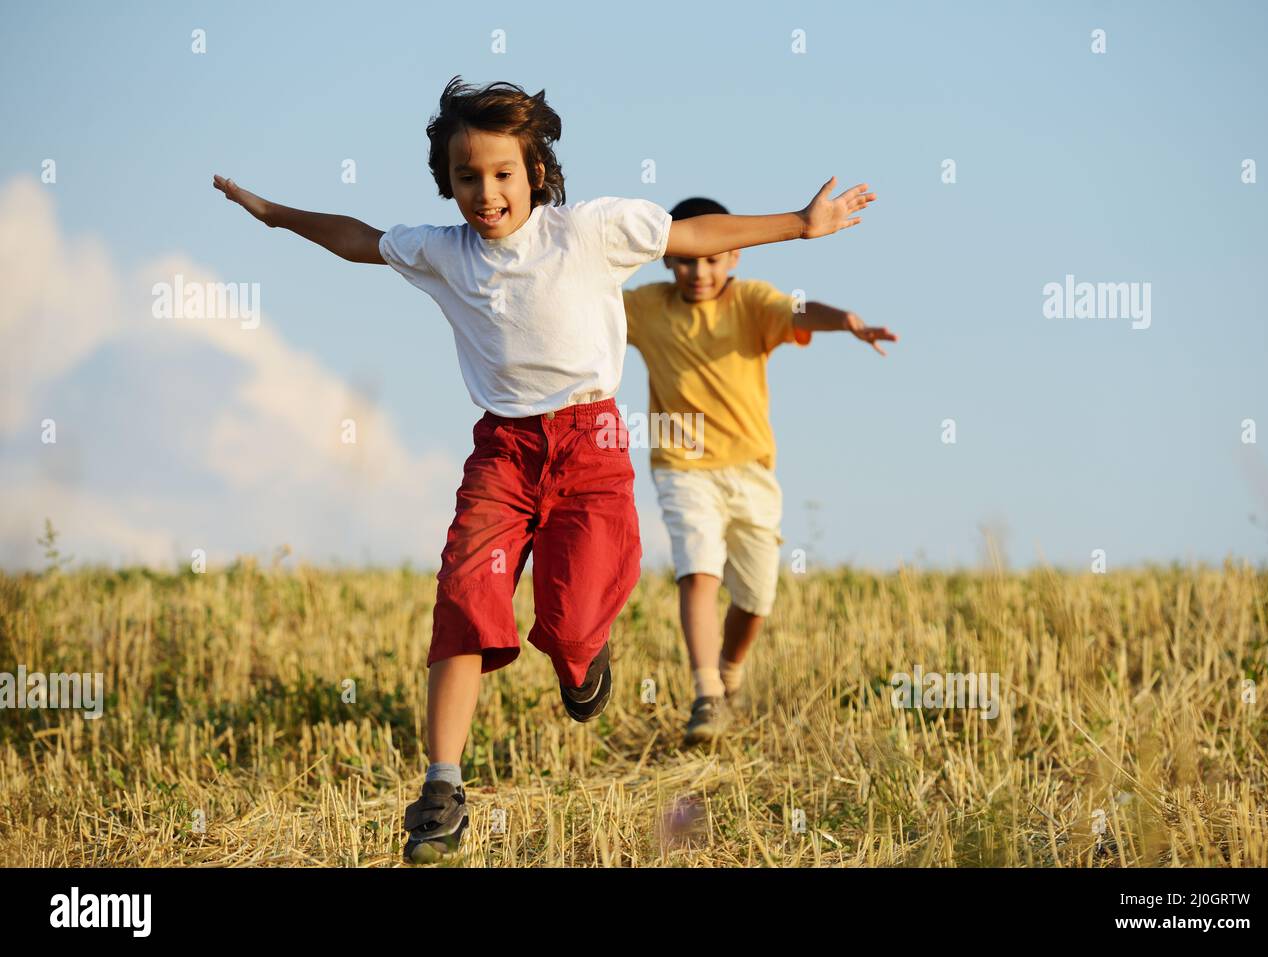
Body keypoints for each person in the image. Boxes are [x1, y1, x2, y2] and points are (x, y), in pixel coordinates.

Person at [213, 76, 875, 863]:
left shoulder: (591, 231)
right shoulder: (443, 252)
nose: (485, 193)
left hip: (590, 448)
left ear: (535, 173)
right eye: (467, 177)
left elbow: (692, 238)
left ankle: (583, 655)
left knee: (566, 622)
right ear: (447, 180)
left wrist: (801, 225)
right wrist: (274, 214)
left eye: (501, 174)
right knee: (464, 593)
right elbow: (358, 238)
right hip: (502, 453)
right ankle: (442, 786)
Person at [623, 196, 896, 745]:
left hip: (750, 470)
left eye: (711, 258)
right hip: (683, 467)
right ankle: (705, 695)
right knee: (698, 569)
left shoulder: (751, 302)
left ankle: (729, 673)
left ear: (735, 257)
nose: (699, 270)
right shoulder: (644, 308)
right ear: (668, 259)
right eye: (686, 259)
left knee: (756, 598)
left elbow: (797, 313)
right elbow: (584, 307)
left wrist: (843, 322)